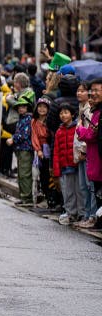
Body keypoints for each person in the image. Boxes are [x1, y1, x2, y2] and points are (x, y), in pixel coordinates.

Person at [74, 82, 98, 228]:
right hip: (81, 151)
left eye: (82, 91)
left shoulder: (90, 110)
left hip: (87, 152)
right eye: (78, 90)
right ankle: (86, 214)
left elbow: (89, 132)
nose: (79, 93)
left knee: (90, 186)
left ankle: (92, 216)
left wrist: (83, 149)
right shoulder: (81, 108)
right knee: (83, 186)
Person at [54, 103, 81, 225]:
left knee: (79, 190)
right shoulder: (59, 131)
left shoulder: (77, 128)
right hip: (65, 166)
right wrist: (56, 170)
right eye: (61, 113)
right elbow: (56, 152)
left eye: (66, 112)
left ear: (72, 114)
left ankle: (81, 214)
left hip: (76, 164)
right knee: (68, 191)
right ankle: (71, 213)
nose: (63, 115)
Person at [7, 96, 35, 206]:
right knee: (20, 174)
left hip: (26, 149)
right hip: (20, 149)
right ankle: (23, 196)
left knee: (25, 174)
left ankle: (27, 198)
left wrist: (13, 139)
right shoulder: (22, 118)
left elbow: (24, 135)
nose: (20, 109)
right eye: (19, 107)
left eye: (23, 107)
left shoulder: (28, 119)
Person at [31, 97, 57, 208]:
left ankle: (53, 198)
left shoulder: (50, 120)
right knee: (42, 174)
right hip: (40, 149)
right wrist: (38, 149)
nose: (41, 109)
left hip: (50, 147)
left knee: (51, 173)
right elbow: (34, 136)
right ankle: (46, 196)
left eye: (44, 107)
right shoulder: (34, 121)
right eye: (39, 107)